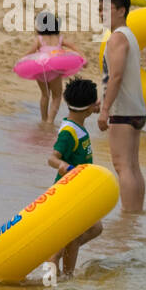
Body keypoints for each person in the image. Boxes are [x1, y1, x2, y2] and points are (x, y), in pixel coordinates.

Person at [46, 77, 104, 278]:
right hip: (66, 193)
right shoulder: (69, 132)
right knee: (70, 239)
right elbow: (52, 158)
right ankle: (58, 275)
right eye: (96, 102)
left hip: (78, 192)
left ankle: (65, 276)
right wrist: (64, 166)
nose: (99, 105)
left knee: (94, 228)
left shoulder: (77, 125)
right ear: (89, 108)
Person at [98, 0, 146, 212]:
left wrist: (105, 110)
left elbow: (116, 76)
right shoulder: (129, 35)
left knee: (122, 166)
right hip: (136, 108)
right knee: (133, 166)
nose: (101, 14)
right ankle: (136, 215)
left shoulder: (117, 37)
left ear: (121, 10)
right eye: (99, 9)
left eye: (106, 9)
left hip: (123, 110)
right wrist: (104, 102)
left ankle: (128, 217)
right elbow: (119, 77)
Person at [29, 11, 83, 122]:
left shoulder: (39, 39)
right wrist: (83, 57)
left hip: (41, 68)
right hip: (55, 69)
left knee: (45, 95)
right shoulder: (59, 38)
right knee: (57, 96)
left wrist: (21, 63)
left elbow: (29, 53)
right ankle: (50, 121)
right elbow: (73, 46)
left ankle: (43, 120)